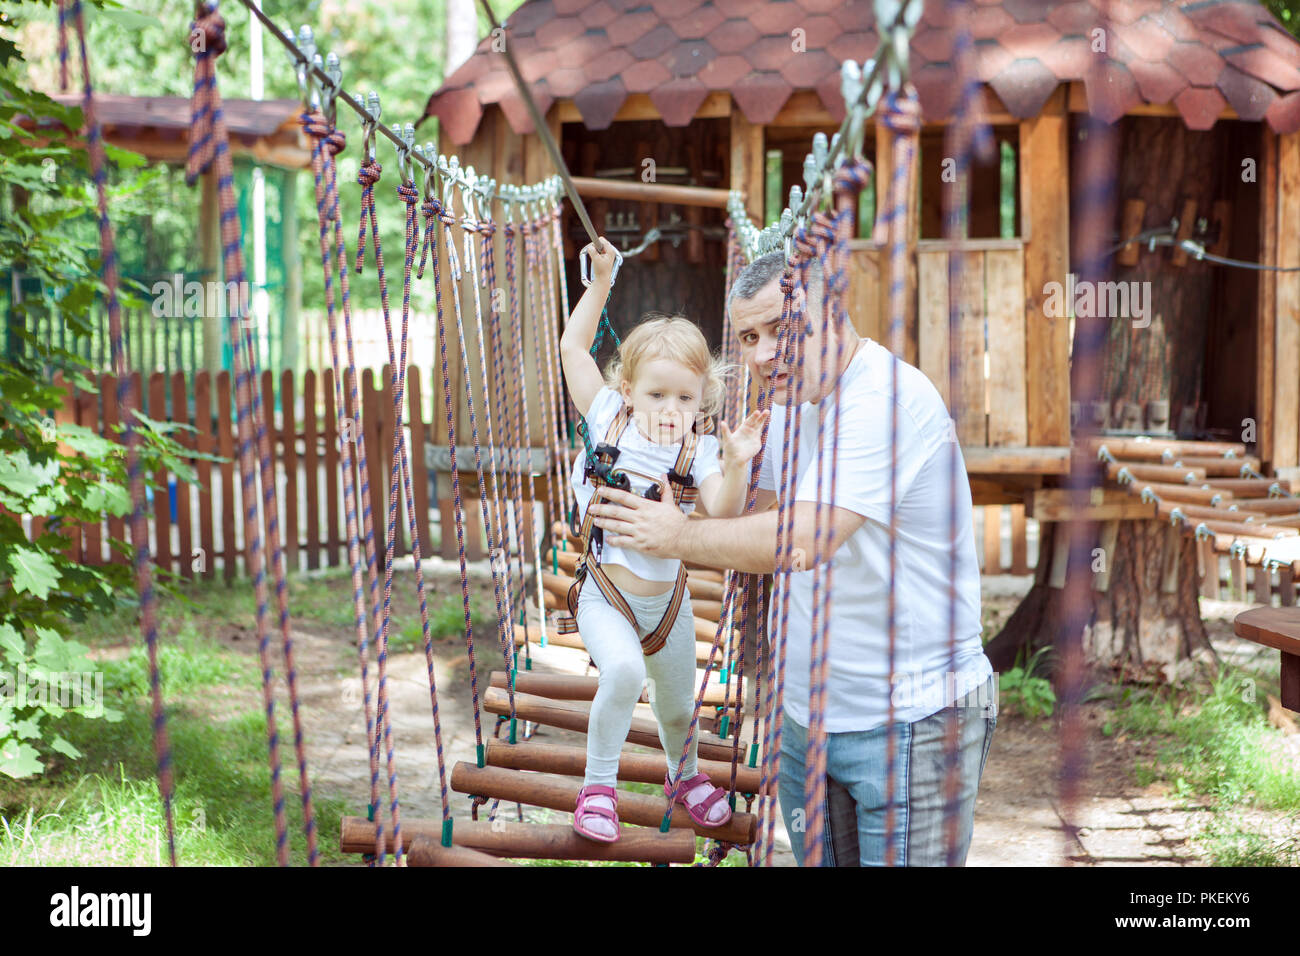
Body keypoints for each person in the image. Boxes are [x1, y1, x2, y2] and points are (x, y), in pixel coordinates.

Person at [587, 249, 997, 865]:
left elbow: (803, 539)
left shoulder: (885, 401)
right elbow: (749, 523)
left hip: (911, 721)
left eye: (783, 328)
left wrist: (674, 536)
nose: (761, 353)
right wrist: (653, 498)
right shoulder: (785, 409)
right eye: (749, 336)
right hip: (807, 719)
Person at [560, 237, 769, 843]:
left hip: (670, 603)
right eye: (656, 393)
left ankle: (684, 774)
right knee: (623, 674)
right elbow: (574, 346)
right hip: (606, 596)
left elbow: (722, 509)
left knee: (679, 709)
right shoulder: (605, 415)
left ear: (702, 397)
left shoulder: (697, 446)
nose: (670, 408)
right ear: (627, 389)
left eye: (685, 396)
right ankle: (598, 785)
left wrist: (734, 464)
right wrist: (601, 281)